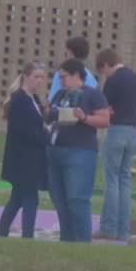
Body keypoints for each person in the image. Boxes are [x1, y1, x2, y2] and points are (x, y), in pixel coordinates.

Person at [46, 58, 111, 242]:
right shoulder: (60, 94)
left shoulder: (92, 94)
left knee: (77, 199)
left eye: (64, 77)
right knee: (60, 200)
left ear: (76, 75)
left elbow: (104, 120)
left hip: (80, 152)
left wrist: (85, 118)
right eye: (59, 77)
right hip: (56, 149)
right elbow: (50, 115)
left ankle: (82, 242)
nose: (61, 81)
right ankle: (66, 240)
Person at [0, 62, 51, 239]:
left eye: (42, 77)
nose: (40, 81)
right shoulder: (20, 99)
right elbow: (26, 131)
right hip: (23, 158)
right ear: (26, 77)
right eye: (36, 77)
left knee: (17, 198)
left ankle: (1, 232)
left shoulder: (33, 99)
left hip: (31, 157)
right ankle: (27, 236)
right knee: (30, 198)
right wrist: (48, 138)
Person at [94, 49, 136, 243]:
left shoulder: (113, 80)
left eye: (102, 71)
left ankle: (108, 228)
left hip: (117, 131)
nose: (104, 74)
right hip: (134, 132)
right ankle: (124, 231)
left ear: (106, 65)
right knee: (125, 181)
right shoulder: (135, 78)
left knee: (112, 180)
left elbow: (105, 108)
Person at [48, 36, 99, 102]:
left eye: (67, 52)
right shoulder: (90, 75)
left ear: (71, 53)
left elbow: (52, 99)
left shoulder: (61, 73)